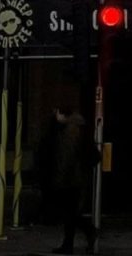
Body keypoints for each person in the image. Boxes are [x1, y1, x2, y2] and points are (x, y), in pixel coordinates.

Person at [41, 107, 97, 255]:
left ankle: (87, 231)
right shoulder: (74, 127)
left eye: (57, 112)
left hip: (70, 179)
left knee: (69, 213)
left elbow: (66, 158)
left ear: (62, 114)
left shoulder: (71, 130)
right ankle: (70, 242)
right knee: (70, 213)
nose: (55, 115)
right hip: (74, 178)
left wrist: (60, 178)